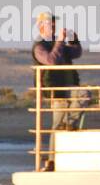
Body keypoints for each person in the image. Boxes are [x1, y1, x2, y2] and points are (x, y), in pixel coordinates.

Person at [32, 11, 85, 170]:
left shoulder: (57, 43)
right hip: (55, 89)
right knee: (56, 124)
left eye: (54, 23)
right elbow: (51, 61)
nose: (53, 26)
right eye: (49, 23)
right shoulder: (39, 46)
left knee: (84, 95)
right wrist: (60, 42)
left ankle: (69, 124)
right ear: (41, 26)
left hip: (69, 85)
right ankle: (52, 160)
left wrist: (74, 40)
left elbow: (76, 53)